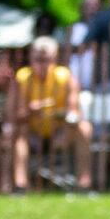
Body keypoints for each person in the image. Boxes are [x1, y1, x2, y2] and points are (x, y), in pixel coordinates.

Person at [10, 34, 88, 190]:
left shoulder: (65, 77)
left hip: (59, 132)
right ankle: (20, 185)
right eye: (38, 59)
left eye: (47, 60)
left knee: (85, 128)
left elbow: (74, 111)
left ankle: (84, 183)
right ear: (31, 58)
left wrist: (62, 115)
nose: (42, 65)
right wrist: (31, 110)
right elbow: (15, 114)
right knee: (20, 133)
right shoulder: (22, 78)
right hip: (32, 132)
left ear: (55, 59)